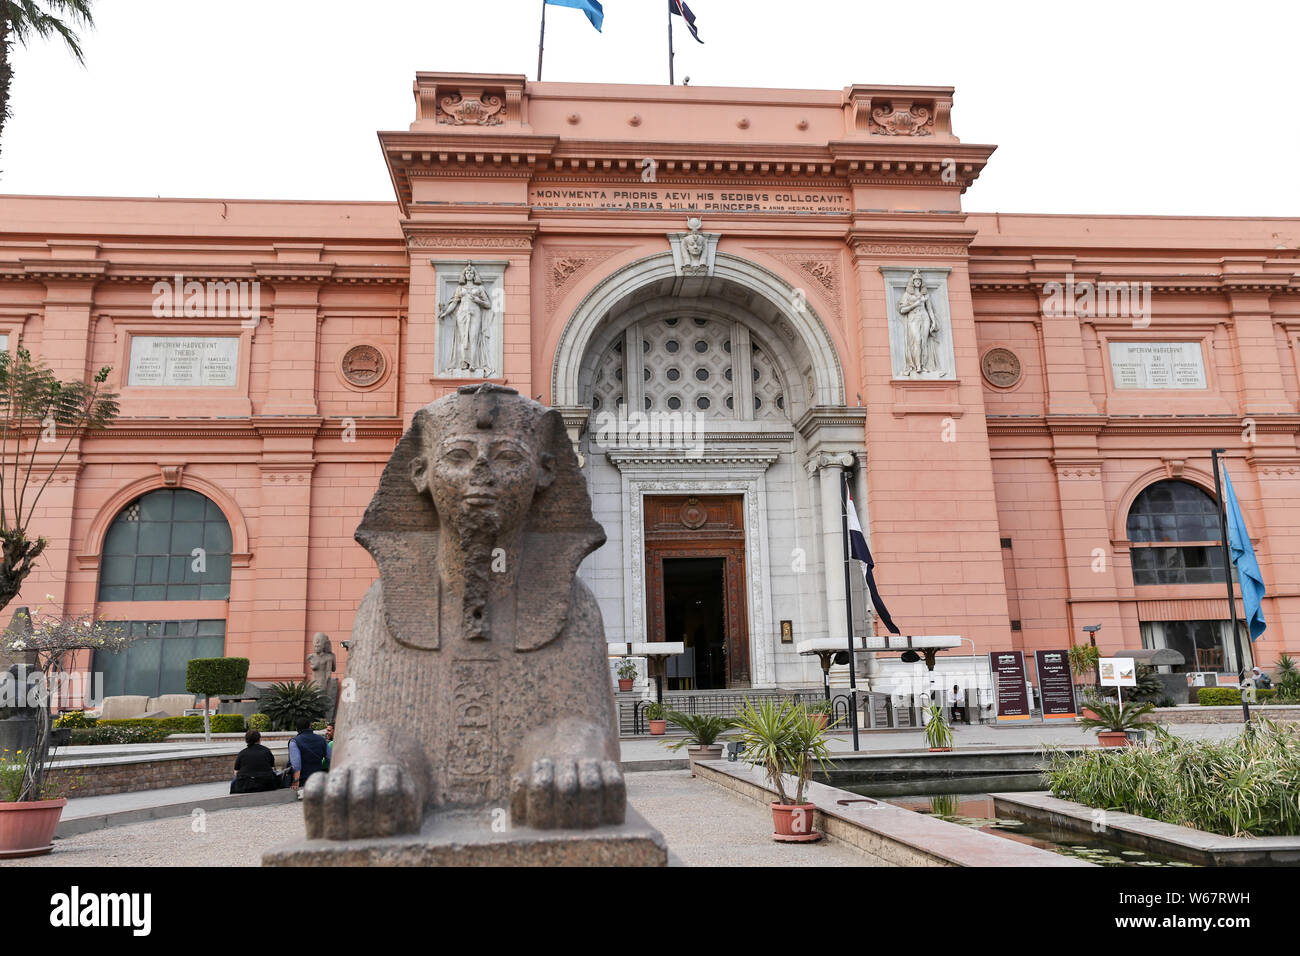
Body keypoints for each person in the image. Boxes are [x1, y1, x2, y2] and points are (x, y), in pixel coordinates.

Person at [230, 730, 280, 794]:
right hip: (267, 784)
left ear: (246, 740)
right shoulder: (266, 751)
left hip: (246, 786)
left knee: (233, 782)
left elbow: (236, 772)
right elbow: (272, 768)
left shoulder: (242, 753)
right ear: (259, 739)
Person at [288, 718, 328, 793]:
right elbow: (330, 757)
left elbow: (296, 764)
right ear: (310, 726)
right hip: (318, 777)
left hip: (303, 780)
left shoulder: (294, 742)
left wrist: (296, 781)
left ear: (297, 729)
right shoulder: (322, 739)